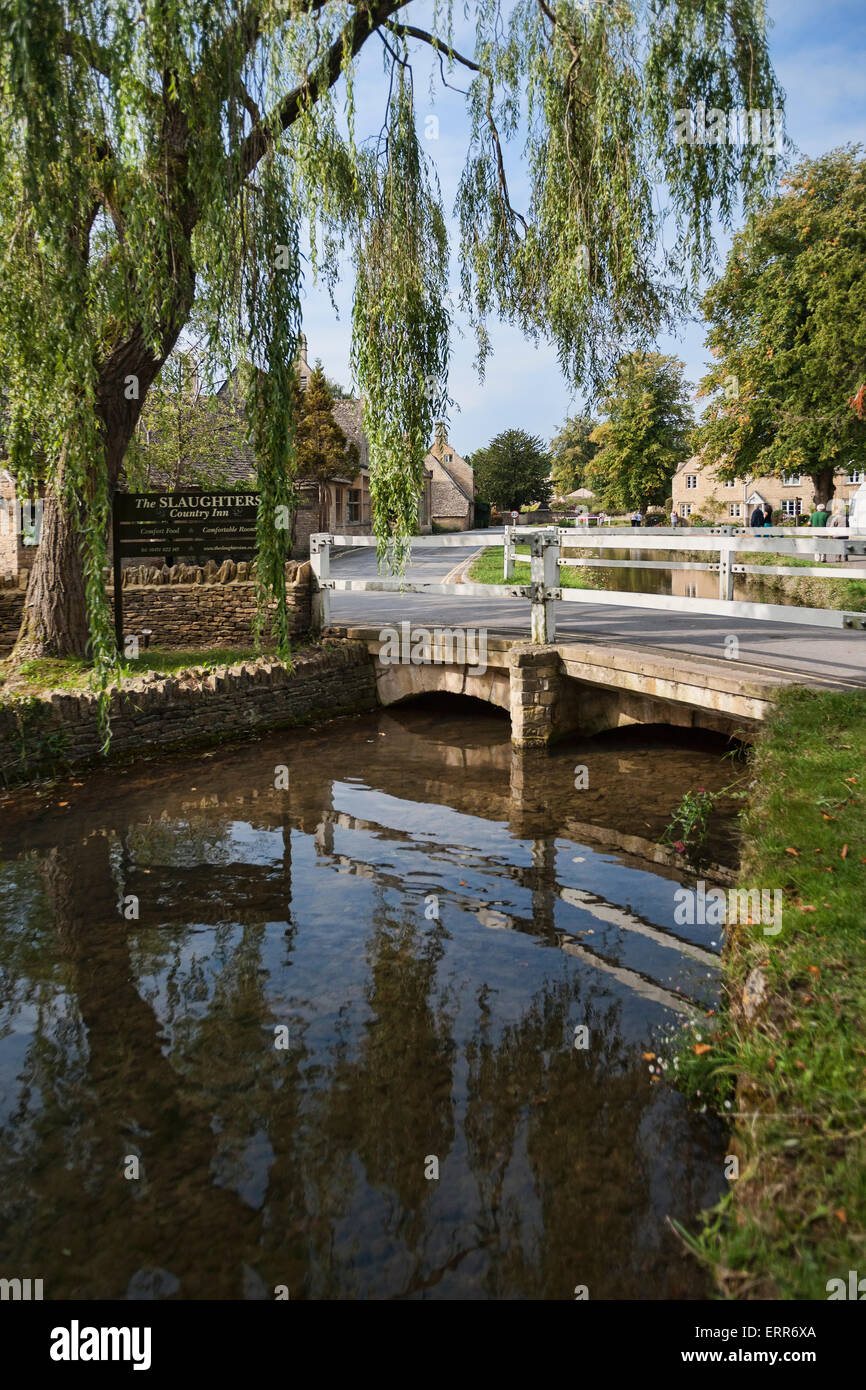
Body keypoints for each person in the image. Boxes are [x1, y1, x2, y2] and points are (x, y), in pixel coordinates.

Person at [827, 498, 847, 562]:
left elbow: (832, 526)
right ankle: (845, 556)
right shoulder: (845, 518)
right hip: (845, 534)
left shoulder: (835, 518)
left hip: (837, 534)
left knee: (838, 546)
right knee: (844, 546)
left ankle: (838, 558)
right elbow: (848, 526)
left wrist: (831, 534)